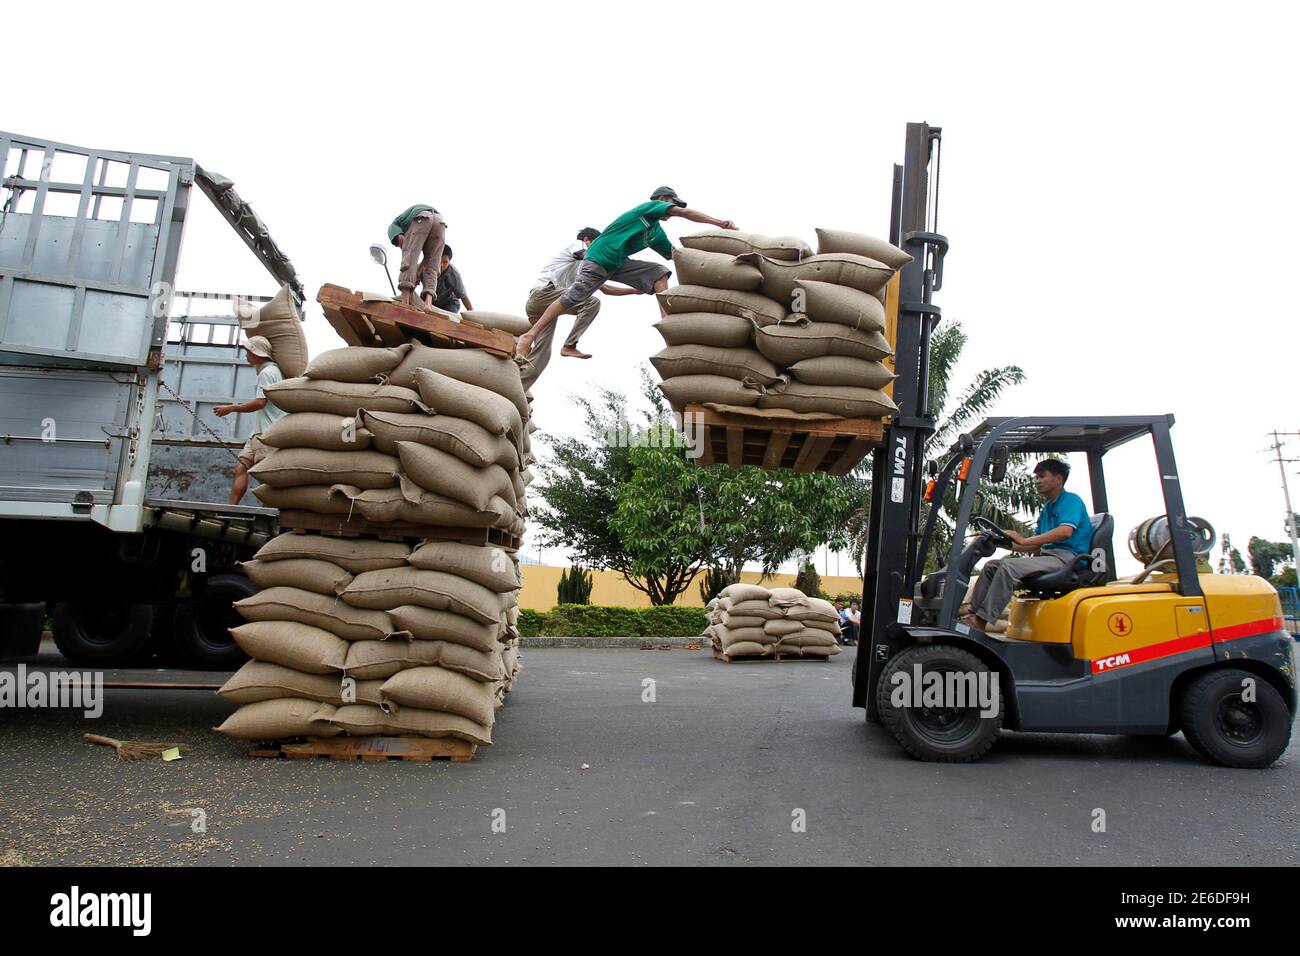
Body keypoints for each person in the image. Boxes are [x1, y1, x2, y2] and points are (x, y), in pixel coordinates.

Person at [515, 187, 737, 368]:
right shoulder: (647, 208)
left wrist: (713, 261)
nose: (674, 210)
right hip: (600, 257)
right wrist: (720, 223)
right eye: (673, 204)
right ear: (662, 199)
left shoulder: (656, 232)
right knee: (575, 297)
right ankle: (530, 335)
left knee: (660, 273)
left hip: (618, 264)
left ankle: (669, 327)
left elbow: (676, 256)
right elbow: (686, 214)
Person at [962, 459, 1093, 631]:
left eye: (1042, 476)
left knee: (1008, 568)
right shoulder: (1047, 508)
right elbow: (1034, 546)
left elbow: (1065, 531)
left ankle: (981, 621)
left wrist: (1023, 540)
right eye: (1036, 477)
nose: (1037, 481)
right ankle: (972, 615)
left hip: (1068, 559)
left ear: (1059, 479)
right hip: (1049, 556)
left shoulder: (1070, 500)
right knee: (992, 566)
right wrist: (1004, 544)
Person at [520, 227, 642, 388]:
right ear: (587, 240)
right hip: (544, 293)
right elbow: (587, 255)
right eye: (596, 244)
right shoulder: (577, 245)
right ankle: (569, 345)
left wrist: (634, 291)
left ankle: (518, 385)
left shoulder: (584, 269)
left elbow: (606, 289)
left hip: (545, 308)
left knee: (542, 355)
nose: (598, 249)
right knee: (591, 302)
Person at [214, 335, 287, 505]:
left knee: (266, 476)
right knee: (240, 467)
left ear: (256, 353)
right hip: (257, 433)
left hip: (268, 434)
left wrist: (231, 408)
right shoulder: (267, 371)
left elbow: (260, 403)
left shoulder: (268, 372)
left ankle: (271, 511)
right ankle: (230, 510)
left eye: (248, 351)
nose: (246, 355)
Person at [388, 204, 446, 308]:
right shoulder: (406, 221)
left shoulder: (393, 227)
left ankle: (405, 301)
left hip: (422, 218)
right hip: (440, 222)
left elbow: (407, 251)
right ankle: (428, 303)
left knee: (409, 256)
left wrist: (411, 273)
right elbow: (427, 261)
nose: (399, 246)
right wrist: (417, 272)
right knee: (433, 264)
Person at [430, 245, 474, 314]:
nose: (441, 265)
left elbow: (463, 296)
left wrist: (473, 315)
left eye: (445, 262)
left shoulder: (453, 274)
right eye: (439, 260)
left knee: (446, 321)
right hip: (430, 299)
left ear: (449, 262)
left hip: (449, 303)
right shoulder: (425, 267)